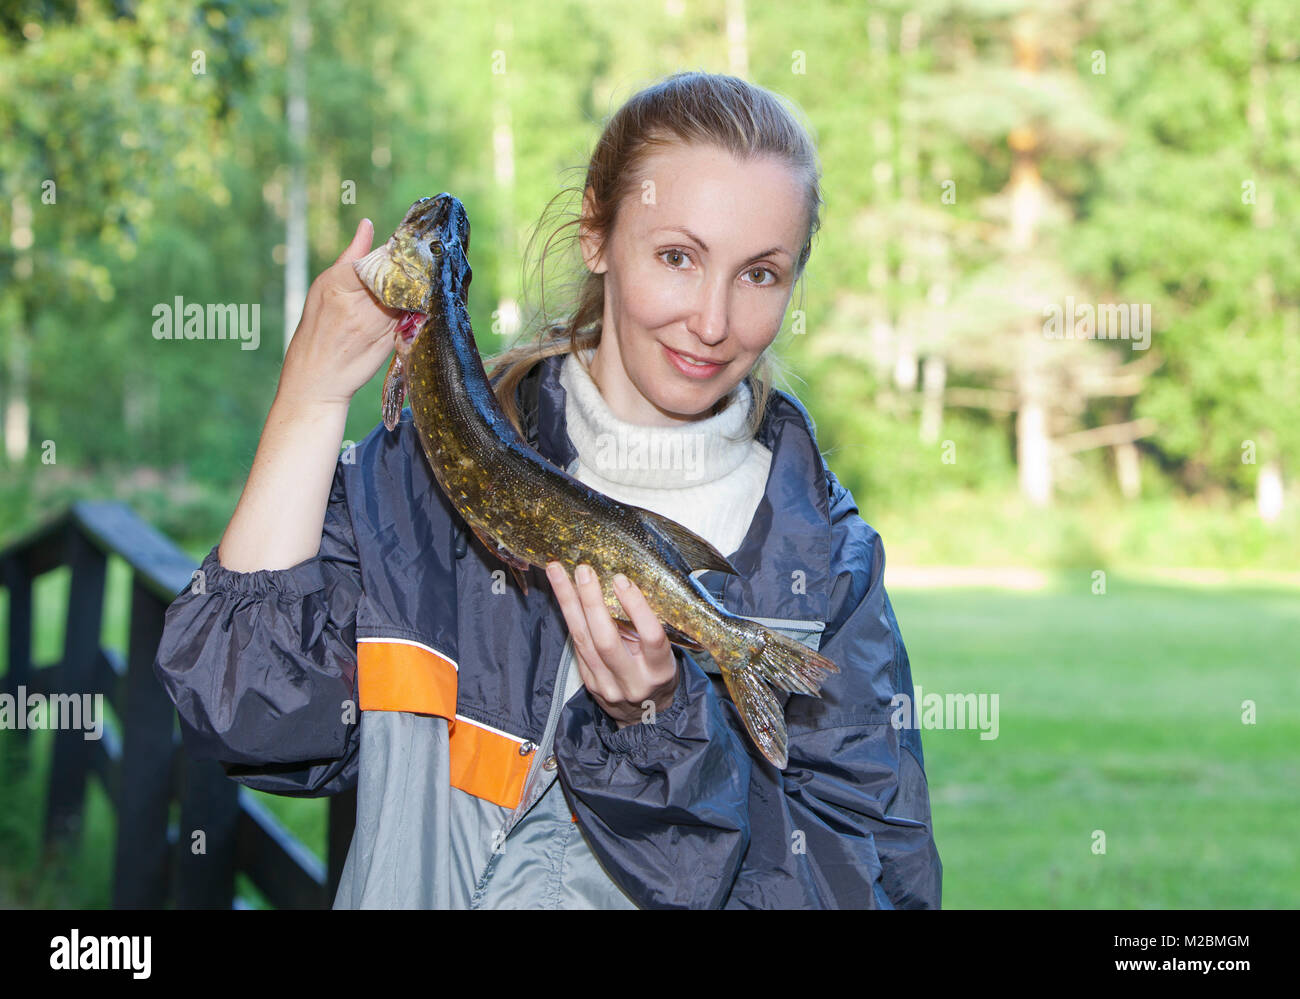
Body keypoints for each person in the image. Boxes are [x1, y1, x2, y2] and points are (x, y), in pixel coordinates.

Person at [153, 71, 942, 909]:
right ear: (596, 234)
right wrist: (310, 398)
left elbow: (862, 883)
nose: (713, 321)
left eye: (760, 274)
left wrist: (659, 733)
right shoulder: (419, 477)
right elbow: (242, 716)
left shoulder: (826, 569)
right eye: (678, 257)